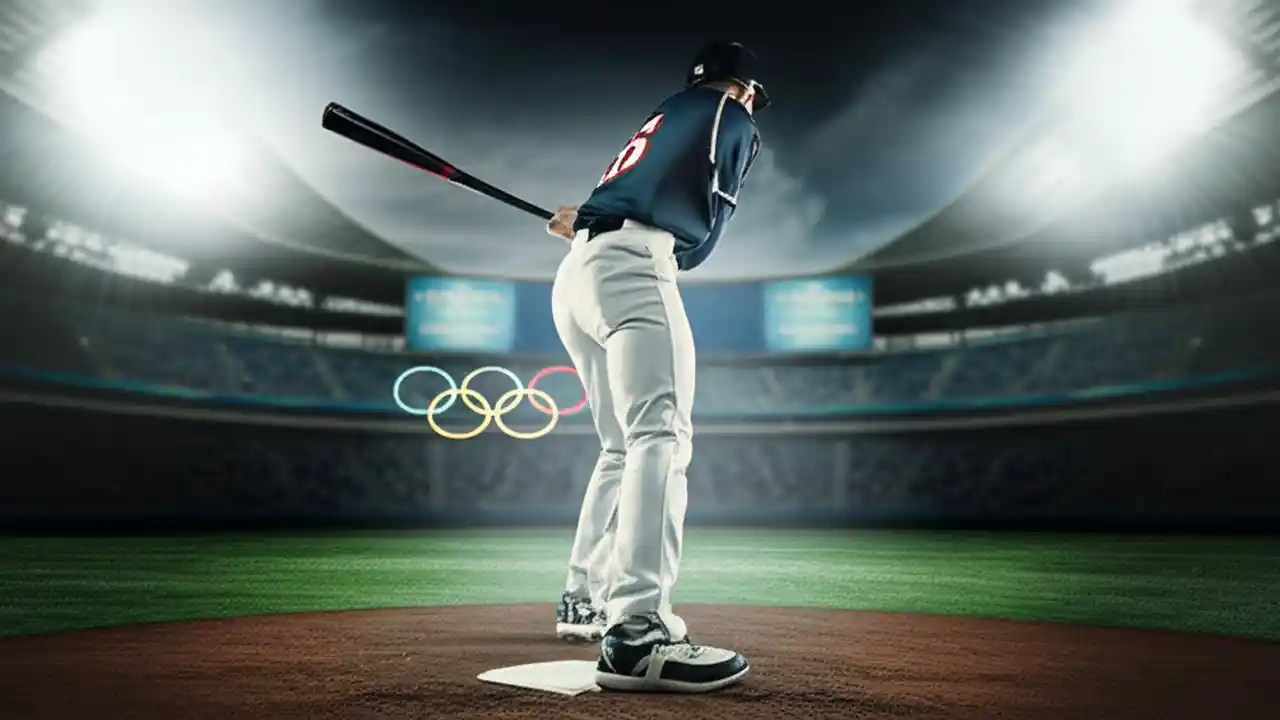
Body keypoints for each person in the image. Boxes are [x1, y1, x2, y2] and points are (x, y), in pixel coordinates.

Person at [547, 41, 768, 693]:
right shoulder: (734, 117)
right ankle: (637, 630)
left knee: (621, 448)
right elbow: (698, 241)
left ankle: (582, 598)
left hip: (579, 274)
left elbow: (619, 203)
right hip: (634, 266)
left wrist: (582, 220)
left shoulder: (665, 114)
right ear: (744, 89)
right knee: (660, 439)